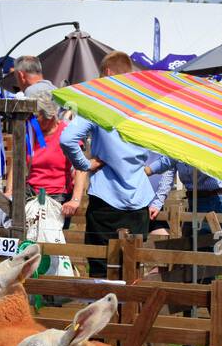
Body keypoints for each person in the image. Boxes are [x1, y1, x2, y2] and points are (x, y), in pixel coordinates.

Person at [60, 51, 153, 276]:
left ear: (108, 74)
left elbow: (67, 139)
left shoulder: (100, 103)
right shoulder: (144, 105)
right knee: (133, 268)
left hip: (106, 200)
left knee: (102, 268)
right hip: (139, 199)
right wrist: (152, 168)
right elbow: (171, 152)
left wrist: (84, 164)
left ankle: (106, 311)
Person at [7, 88, 86, 226]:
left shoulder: (67, 133)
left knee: (49, 240)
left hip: (57, 196)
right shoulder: (29, 133)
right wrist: (9, 191)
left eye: (36, 116)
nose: (32, 120)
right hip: (30, 193)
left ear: (50, 115)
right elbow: (17, 162)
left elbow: (81, 168)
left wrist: (75, 200)